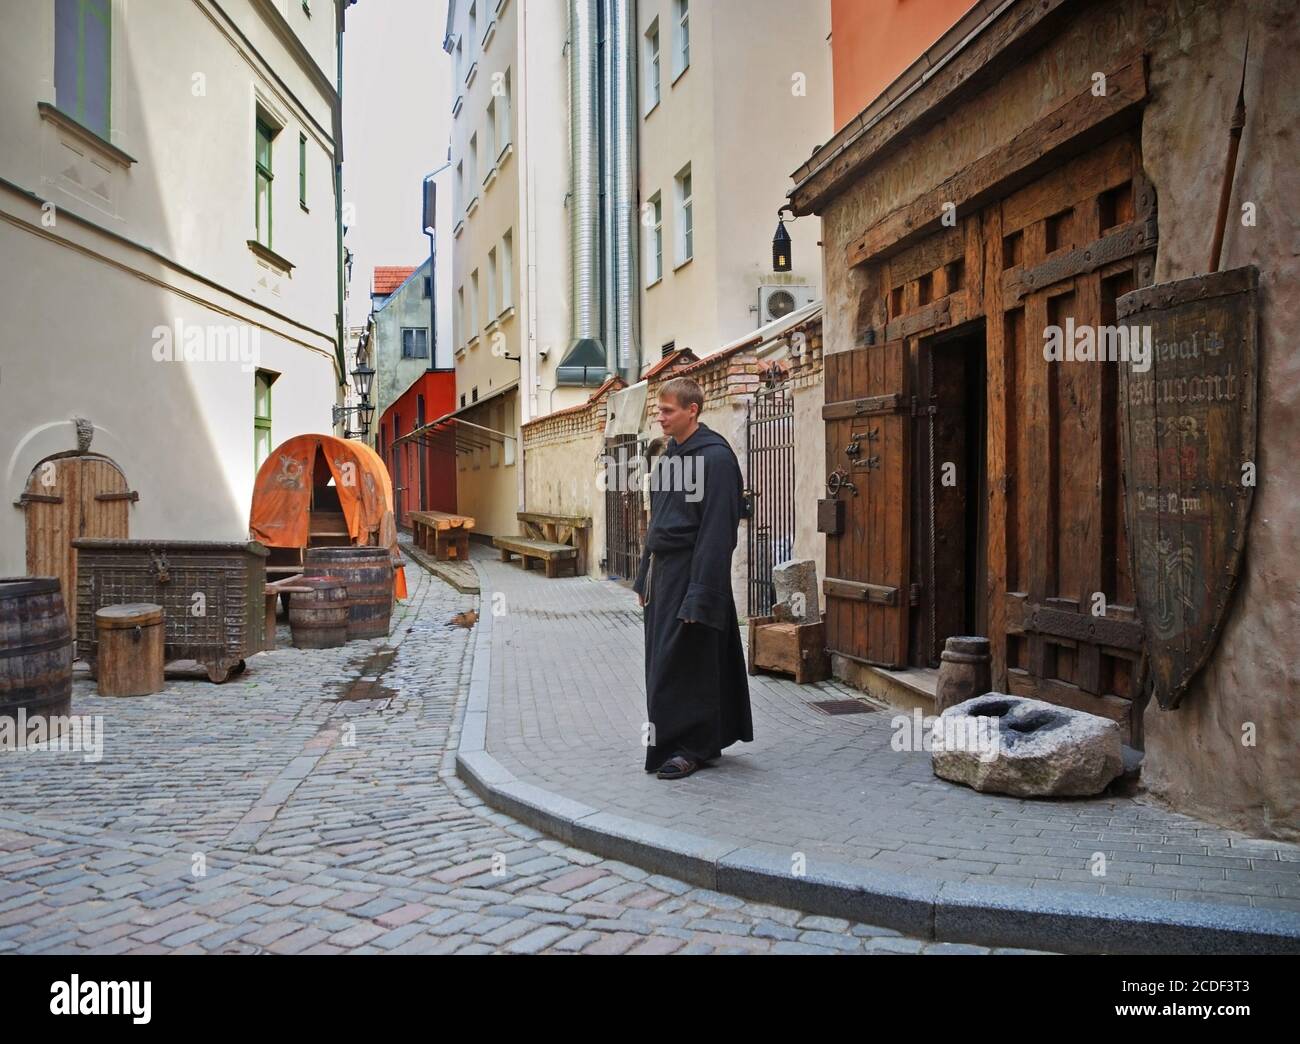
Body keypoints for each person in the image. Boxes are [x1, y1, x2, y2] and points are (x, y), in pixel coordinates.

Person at [633, 377, 753, 780]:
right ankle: (672, 741)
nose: (660, 418)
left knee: (689, 662)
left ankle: (692, 747)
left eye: (668, 411)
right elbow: (657, 523)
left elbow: (718, 533)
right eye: (659, 410)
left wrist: (701, 593)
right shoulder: (668, 457)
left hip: (693, 575)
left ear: (692, 411)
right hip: (663, 578)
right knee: (663, 664)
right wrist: (643, 577)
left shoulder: (716, 459)